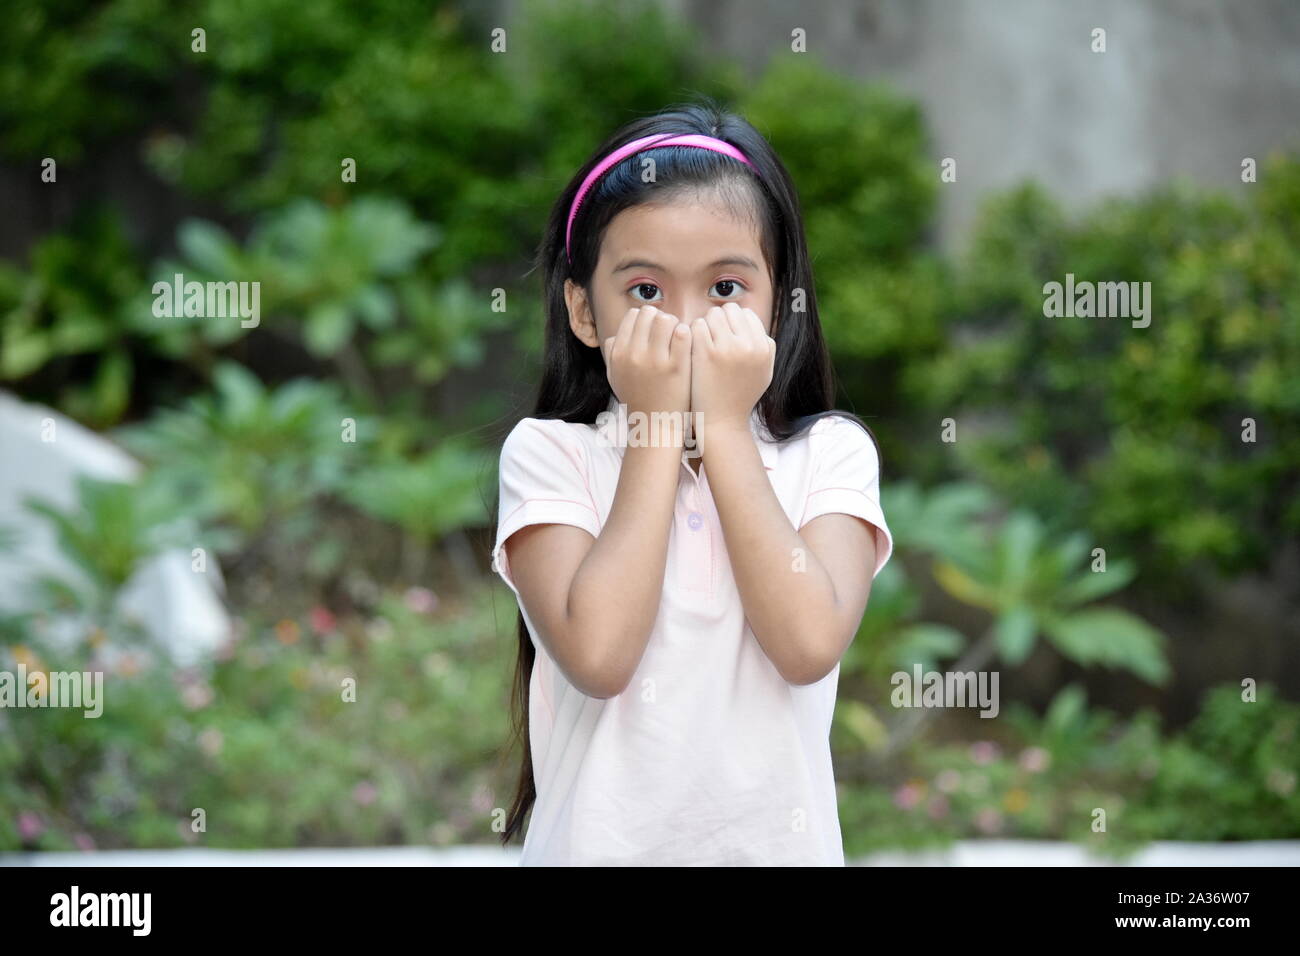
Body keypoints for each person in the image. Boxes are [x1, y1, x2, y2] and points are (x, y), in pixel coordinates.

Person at [491, 99, 893, 865]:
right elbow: (601, 657)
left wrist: (724, 429)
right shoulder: (550, 455)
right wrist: (654, 425)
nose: (684, 324)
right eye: (645, 292)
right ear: (583, 310)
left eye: (725, 289)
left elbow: (808, 644)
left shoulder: (831, 457)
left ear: (778, 304)